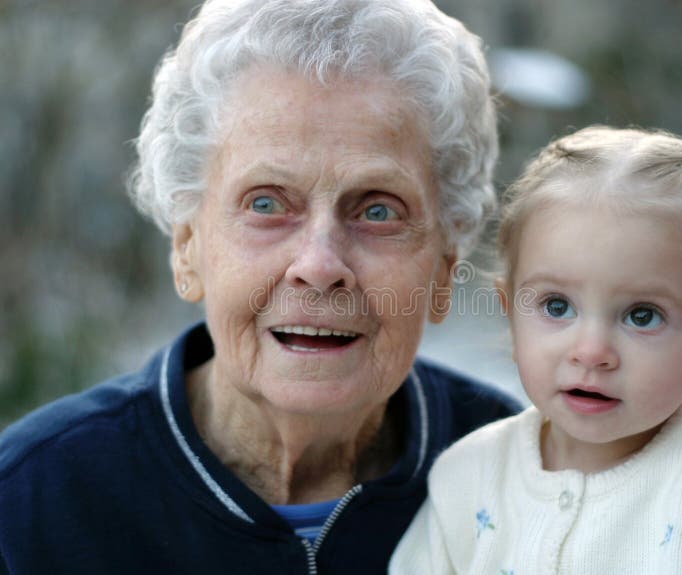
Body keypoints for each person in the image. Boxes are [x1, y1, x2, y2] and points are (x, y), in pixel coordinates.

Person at [0, 1, 522, 573]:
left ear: (445, 266)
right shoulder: (33, 501)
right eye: (267, 203)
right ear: (187, 246)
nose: (320, 265)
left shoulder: (527, 474)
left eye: (378, 210)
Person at [390, 126, 682, 574]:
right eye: (557, 306)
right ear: (512, 316)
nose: (591, 352)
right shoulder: (466, 480)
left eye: (642, 315)